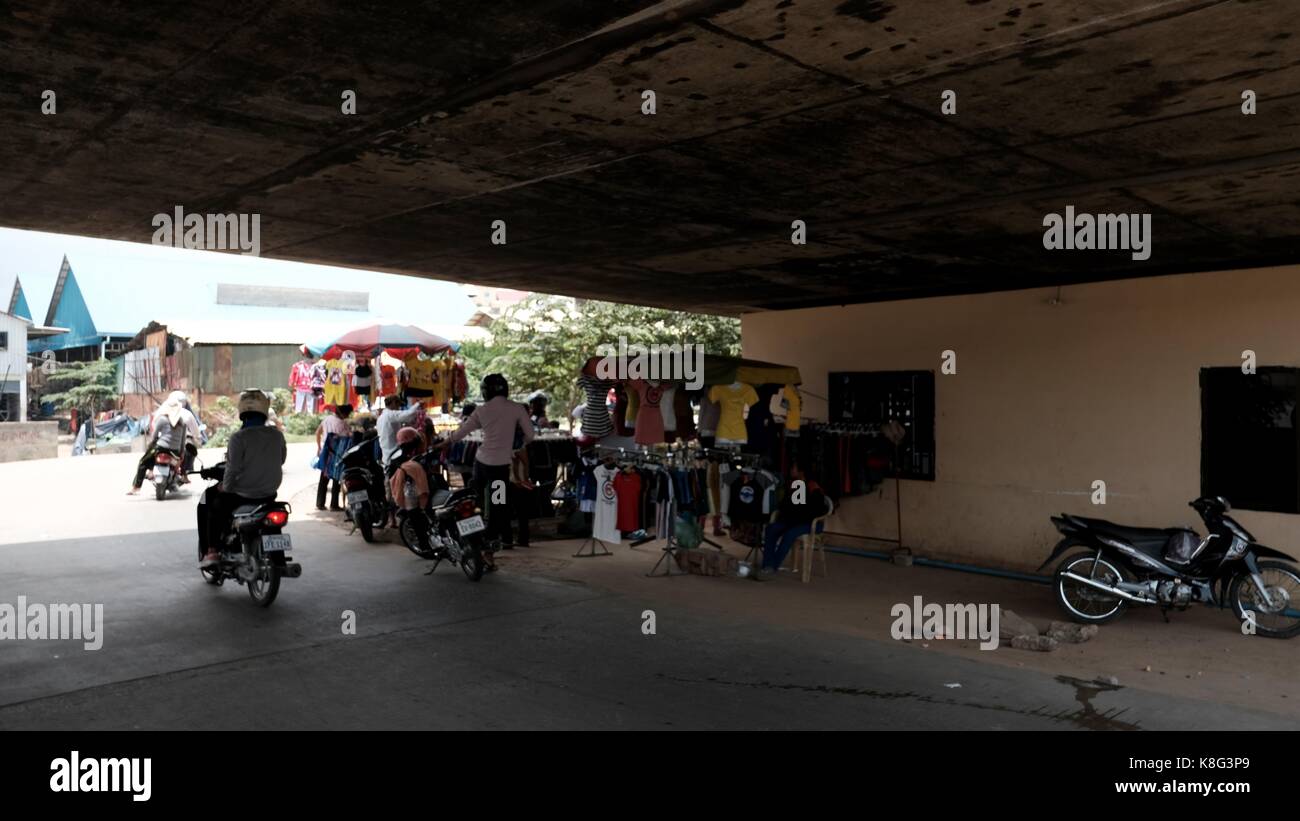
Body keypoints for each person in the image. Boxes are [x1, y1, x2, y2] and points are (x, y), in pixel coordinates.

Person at [440, 374, 534, 563]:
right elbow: (530, 436)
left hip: (480, 465)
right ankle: (489, 552)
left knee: (473, 503)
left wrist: (446, 442)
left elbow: (461, 432)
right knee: (498, 507)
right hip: (500, 469)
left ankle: (470, 538)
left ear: (485, 391)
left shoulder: (481, 410)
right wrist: (514, 445)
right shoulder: (517, 409)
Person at [197, 389, 288, 567]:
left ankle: (212, 551)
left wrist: (225, 486)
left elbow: (232, 470)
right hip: (269, 494)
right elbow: (281, 459)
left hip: (242, 495)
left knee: (209, 500)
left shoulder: (239, 438)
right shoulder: (277, 435)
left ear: (242, 414)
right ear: (264, 412)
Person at [753, 458, 826, 581]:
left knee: (789, 534)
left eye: (793, 468)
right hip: (793, 521)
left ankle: (773, 567)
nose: (791, 470)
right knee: (771, 529)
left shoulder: (812, 486)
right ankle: (767, 565)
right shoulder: (793, 485)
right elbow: (785, 506)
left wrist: (795, 515)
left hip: (810, 523)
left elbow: (816, 510)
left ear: (801, 471)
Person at [128, 391, 200, 494]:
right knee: (190, 451)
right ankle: (184, 475)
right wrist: (181, 453)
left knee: (143, 462)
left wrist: (152, 444)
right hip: (176, 450)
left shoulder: (161, 417)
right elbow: (185, 439)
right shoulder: (183, 420)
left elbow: (154, 434)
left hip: (161, 447)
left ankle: (136, 487)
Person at [389, 427, 433, 554]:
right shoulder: (421, 448)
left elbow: (394, 471)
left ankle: (424, 544)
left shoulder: (400, 454)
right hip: (430, 483)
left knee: (414, 513)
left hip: (413, 487)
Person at [315, 403, 353, 511]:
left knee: (324, 478)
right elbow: (347, 439)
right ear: (344, 413)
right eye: (348, 413)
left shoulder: (327, 419)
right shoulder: (343, 424)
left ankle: (320, 503)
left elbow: (317, 432)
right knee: (336, 479)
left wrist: (318, 447)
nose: (348, 415)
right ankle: (334, 505)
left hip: (326, 452)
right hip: (337, 454)